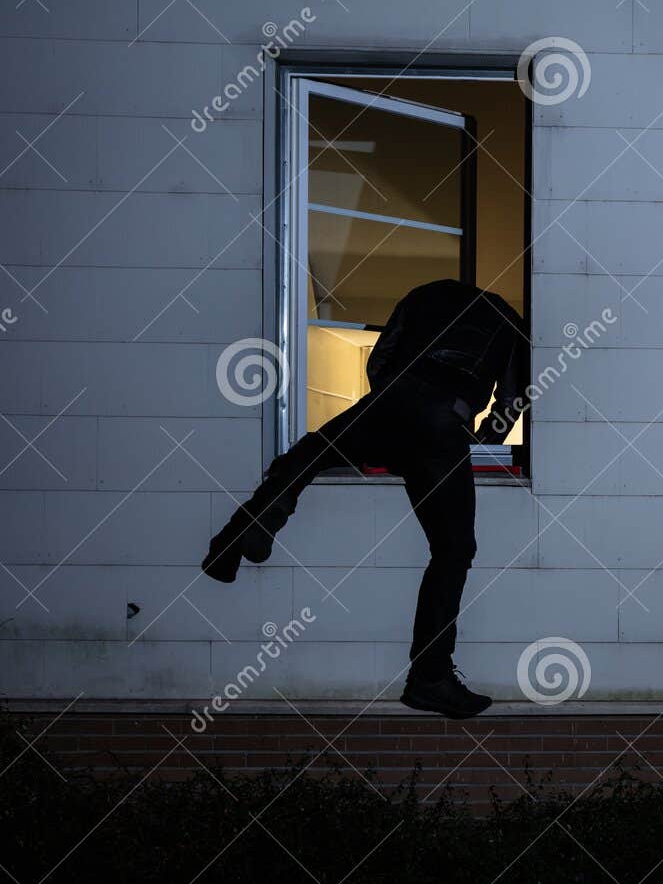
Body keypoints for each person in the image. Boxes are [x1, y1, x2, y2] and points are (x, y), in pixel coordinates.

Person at [202, 279, 528, 718]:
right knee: (454, 549)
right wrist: (473, 442)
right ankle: (429, 677)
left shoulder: (425, 293)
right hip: (441, 420)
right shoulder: (508, 320)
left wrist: (388, 418)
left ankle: (235, 537)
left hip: (392, 398)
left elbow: (380, 360)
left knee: (314, 449)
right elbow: (508, 403)